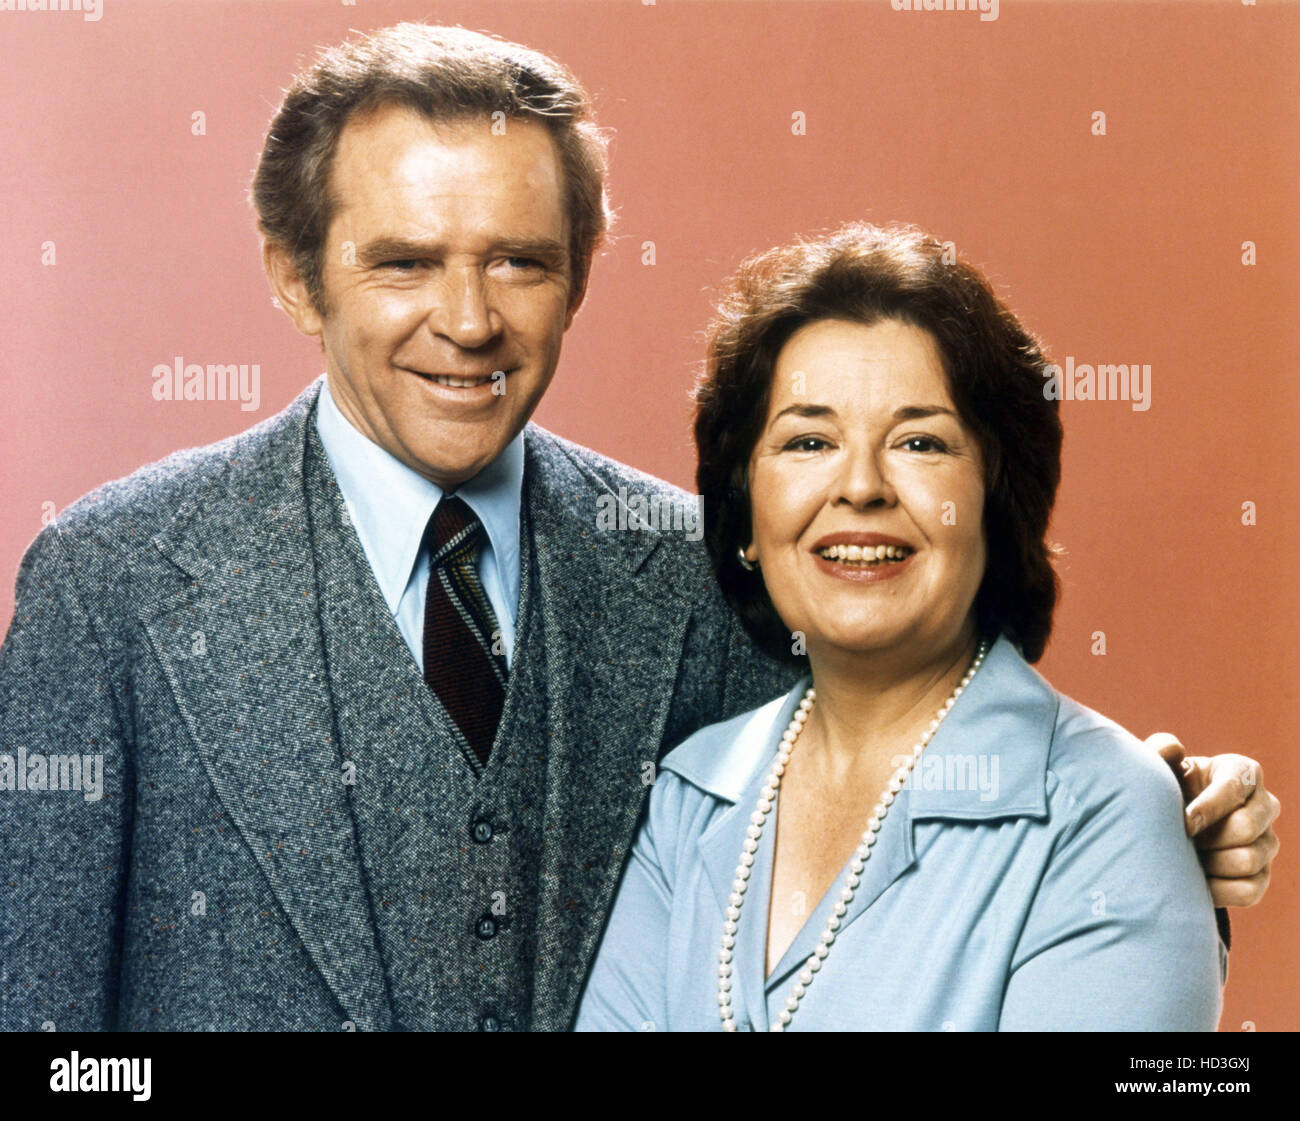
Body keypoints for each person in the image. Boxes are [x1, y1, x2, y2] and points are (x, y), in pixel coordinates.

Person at [0, 25, 1278, 1033]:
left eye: (519, 260)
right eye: (402, 262)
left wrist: (1152, 811)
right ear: (294, 272)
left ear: (584, 271)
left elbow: (898, 744)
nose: (467, 319)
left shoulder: (691, 565)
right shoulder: (113, 582)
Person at [576, 223, 1232, 1031]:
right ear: (745, 512)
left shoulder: (1105, 811)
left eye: (919, 442)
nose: (860, 486)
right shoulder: (689, 795)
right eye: (808, 440)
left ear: (997, 499)